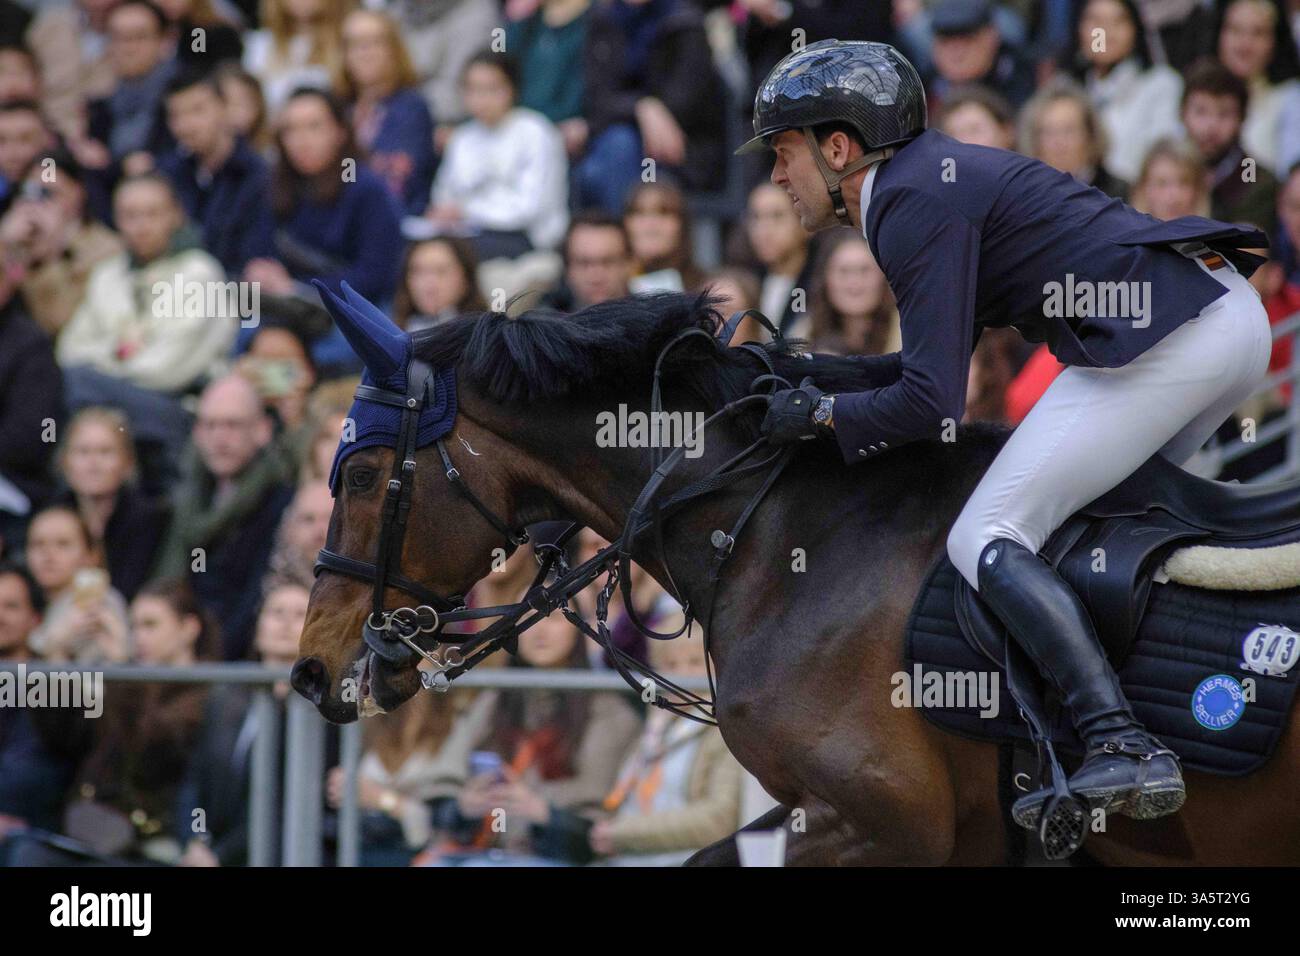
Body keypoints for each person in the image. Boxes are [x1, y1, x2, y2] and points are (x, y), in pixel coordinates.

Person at [745, 40, 1273, 836]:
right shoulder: (925, 180)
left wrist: (822, 419)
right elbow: (921, 364)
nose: (777, 177)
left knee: (985, 533)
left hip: (1175, 337)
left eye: (783, 154)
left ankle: (1119, 739)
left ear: (839, 148)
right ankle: (1106, 737)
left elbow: (928, 402)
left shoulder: (906, 202)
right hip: (1207, 321)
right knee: (1073, 530)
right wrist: (812, 380)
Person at [427, 51, 568, 262]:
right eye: (472, 89)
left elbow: (530, 209)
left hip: (527, 239)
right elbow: (444, 194)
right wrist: (446, 213)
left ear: (512, 89)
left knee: (449, 258)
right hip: (467, 233)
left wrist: (466, 211)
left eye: (491, 89)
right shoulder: (462, 138)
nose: (481, 99)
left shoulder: (535, 131)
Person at [156, 66, 276, 276]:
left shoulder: (258, 175)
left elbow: (254, 261)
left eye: (197, 110)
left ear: (225, 108)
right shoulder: (167, 175)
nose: (186, 125)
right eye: (175, 115)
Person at [336, 8, 435, 218]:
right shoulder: (339, 107)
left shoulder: (411, 107)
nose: (365, 52)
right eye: (355, 44)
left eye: (374, 42)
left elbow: (399, 181)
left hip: (395, 221)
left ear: (394, 49)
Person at [1180, 57, 1280, 237]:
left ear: (1241, 119)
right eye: (1200, 111)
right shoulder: (1164, 171)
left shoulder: (1255, 178)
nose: (1211, 126)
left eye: (1224, 114)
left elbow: (1247, 255)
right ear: (1182, 113)